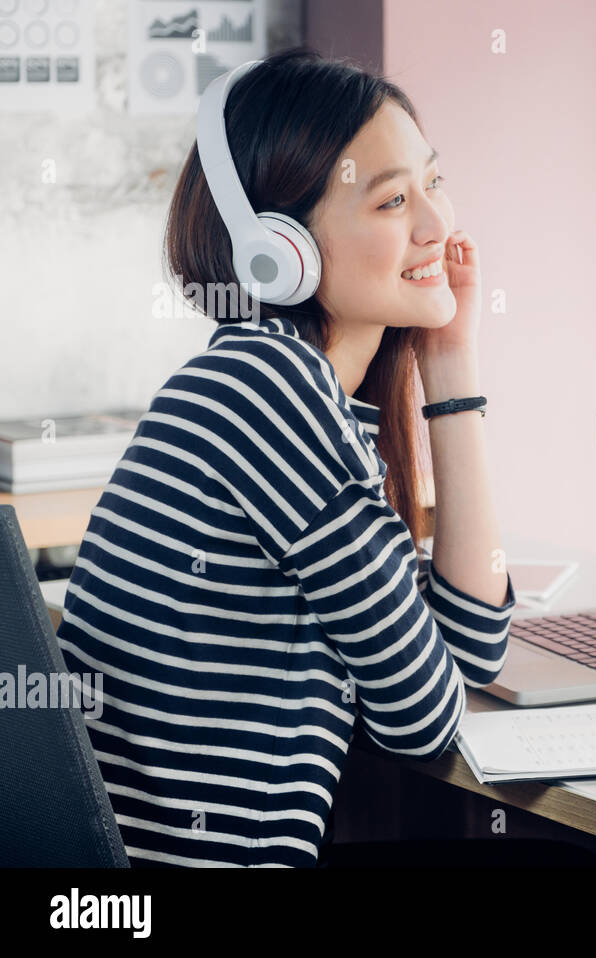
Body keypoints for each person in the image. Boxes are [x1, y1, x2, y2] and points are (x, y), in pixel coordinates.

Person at [55, 47, 516, 867]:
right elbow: (425, 719)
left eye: (434, 183)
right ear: (278, 250)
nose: (437, 226)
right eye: (391, 201)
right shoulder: (269, 395)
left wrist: (449, 365)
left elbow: (472, 649)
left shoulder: (290, 391)